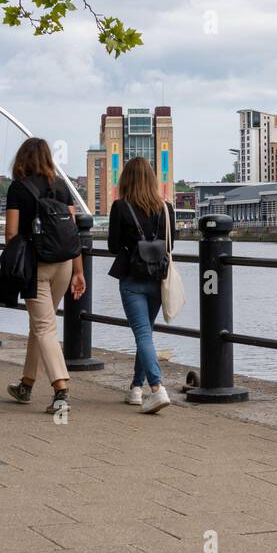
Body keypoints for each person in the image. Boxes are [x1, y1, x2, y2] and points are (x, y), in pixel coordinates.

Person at [3, 138, 85, 415]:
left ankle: (61, 391)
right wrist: (79, 271)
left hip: (35, 266)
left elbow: (11, 234)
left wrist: (14, 260)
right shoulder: (62, 187)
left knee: (44, 327)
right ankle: (26, 384)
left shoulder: (18, 188)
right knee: (40, 325)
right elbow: (72, 233)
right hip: (63, 264)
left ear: (22, 158)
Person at [108, 156, 175, 413]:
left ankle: (157, 389)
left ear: (126, 179)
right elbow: (170, 245)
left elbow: (114, 246)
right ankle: (136, 389)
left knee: (142, 334)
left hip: (132, 279)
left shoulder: (120, 207)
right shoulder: (166, 208)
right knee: (145, 333)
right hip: (158, 280)